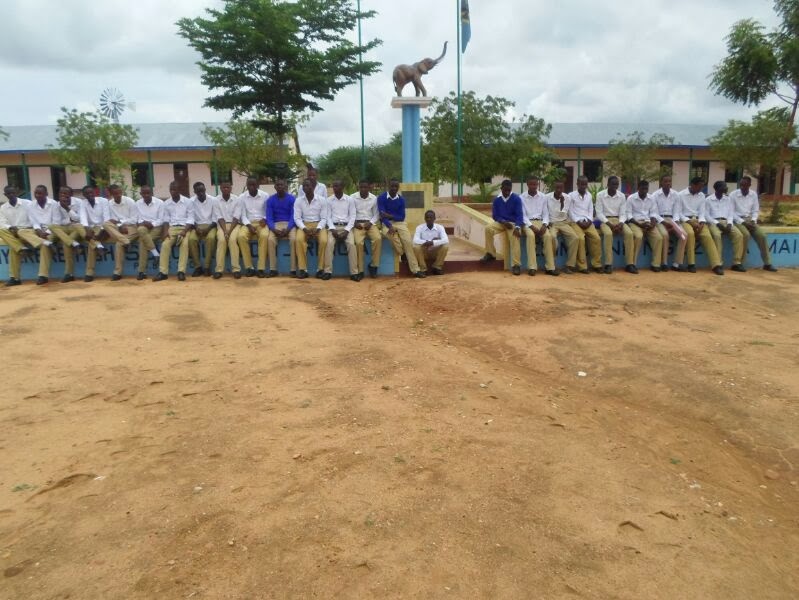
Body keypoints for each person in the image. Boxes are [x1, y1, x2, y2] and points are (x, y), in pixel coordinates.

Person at [378, 178, 426, 278]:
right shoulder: (381, 198)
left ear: (398, 187)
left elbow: (402, 217)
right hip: (386, 223)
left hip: (400, 223)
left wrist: (390, 216)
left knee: (408, 242)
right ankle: (402, 253)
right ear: (388, 186)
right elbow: (382, 216)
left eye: (396, 186)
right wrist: (389, 225)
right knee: (392, 237)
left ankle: (415, 270)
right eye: (392, 186)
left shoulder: (401, 200)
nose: (394, 188)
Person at [730, 175, 777, 272]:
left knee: (762, 236)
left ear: (749, 185)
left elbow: (755, 210)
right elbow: (731, 212)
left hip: (750, 220)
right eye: (741, 185)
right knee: (745, 235)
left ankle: (767, 263)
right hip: (738, 220)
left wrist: (753, 221)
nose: (743, 187)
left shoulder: (753, 194)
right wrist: (743, 222)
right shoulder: (733, 195)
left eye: (745, 185)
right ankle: (738, 263)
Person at [678, 177, 723, 276]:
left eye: (702, 187)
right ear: (692, 185)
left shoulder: (702, 196)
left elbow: (702, 212)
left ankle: (716, 264)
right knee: (690, 234)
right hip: (686, 220)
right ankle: (691, 263)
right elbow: (679, 213)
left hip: (698, 220)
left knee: (707, 236)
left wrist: (702, 222)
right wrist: (690, 221)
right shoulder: (681, 195)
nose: (701, 189)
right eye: (699, 186)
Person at [479, 179, 524, 275]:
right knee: (488, 228)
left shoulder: (516, 199)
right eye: (505, 190)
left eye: (509, 190)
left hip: (512, 224)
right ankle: (491, 253)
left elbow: (520, 215)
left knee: (515, 238)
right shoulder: (497, 200)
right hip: (501, 222)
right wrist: (503, 221)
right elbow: (495, 215)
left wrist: (517, 227)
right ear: (501, 188)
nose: (507, 192)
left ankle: (516, 265)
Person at [154, 181, 193, 281]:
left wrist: (184, 231)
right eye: (171, 190)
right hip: (172, 228)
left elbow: (191, 219)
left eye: (175, 189)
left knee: (184, 244)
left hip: (185, 228)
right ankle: (163, 272)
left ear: (179, 190)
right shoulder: (166, 203)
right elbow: (166, 220)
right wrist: (166, 231)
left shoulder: (188, 202)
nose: (172, 192)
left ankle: (181, 271)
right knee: (165, 245)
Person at [595, 176, 634, 274]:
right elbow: (599, 213)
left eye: (616, 184)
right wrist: (610, 225)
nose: (615, 186)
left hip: (618, 219)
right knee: (608, 234)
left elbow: (623, 213)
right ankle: (608, 264)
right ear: (608, 184)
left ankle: (629, 264)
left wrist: (621, 224)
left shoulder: (621, 196)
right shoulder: (600, 195)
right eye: (613, 184)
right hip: (605, 220)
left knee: (629, 233)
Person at [520, 175, 557, 276]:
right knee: (531, 236)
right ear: (527, 184)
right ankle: (532, 267)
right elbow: (523, 215)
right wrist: (531, 226)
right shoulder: (522, 197)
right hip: (528, 223)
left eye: (535, 184)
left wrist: (544, 225)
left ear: (538, 184)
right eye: (531, 184)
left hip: (541, 222)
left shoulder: (543, 197)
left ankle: (550, 267)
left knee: (548, 236)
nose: (533, 186)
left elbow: (546, 213)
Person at [651, 175, 688, 272]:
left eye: (669, 181)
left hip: (672, 220)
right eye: (665, 181)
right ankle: (664, 263)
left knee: (683, 235)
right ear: (661, 183)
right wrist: (664, 223)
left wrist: (675, 223)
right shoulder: (655, 195)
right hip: (660, 220)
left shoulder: (676, 195)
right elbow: (654, 212)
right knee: (665, 235)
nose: (668, 183)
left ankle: (677, 263)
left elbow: (676, 211)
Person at [625, 180, 664, 272]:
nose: (644, 191)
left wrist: (652, 224)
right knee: (638, 237)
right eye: (642, 188)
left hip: (648, 223)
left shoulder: (651, 198)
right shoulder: (631, 198)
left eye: (646, 188)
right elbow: (629, 215)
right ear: (638, 188)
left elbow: (654, 213)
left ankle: (655, 264)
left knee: (659, 238)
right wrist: (640, 224)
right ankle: (632, 264)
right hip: (635, 223)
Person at [706, 181, 745, 272]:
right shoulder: (708, 200)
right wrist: (717, 223)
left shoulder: (728, 199)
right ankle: (718, 263)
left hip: (726, 221)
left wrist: (730, 223)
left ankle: (736, 263)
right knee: (716, 235)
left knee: (739, 235)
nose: (726, 188)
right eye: (724, 187)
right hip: (713, 222)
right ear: (717, 189)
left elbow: (731, 213)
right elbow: (706, 215)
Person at [294, 178, 328, 279]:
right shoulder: (298, 201)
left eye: (308, 185)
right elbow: (297, 218)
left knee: (323, 240)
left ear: (313, 187)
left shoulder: (322, 200)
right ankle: (303, 269)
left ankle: (320, 269)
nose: (306, 187)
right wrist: (304, 229)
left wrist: (318, 229)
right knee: (299, 239)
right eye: (304, 186)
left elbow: (324, 218)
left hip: (318, 224)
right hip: (304, 224)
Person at [49, 186, 85, 283]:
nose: (63, 196)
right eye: (61, 193)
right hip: (64, 229)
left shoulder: (79, 202)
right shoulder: (56, 205)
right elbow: (56, 222)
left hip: (76, 228)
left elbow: (79, 219)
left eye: (65, 193)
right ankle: (74, 243)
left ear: (71, 194)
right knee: (52, 226)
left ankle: (69, 274)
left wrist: (67, 208)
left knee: (66, 244)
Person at [325, 180, 358, 281]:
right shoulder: (329, 200)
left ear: (342, 187)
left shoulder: (349, 200)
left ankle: (354, 273)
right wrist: (332, 229)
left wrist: (347, 230)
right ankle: (327, 271)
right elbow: (327, 216)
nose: (335, 188)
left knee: (352, 244)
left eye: (337, 186)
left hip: (346, 227)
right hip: (333, 228)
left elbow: (353, 216)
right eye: (334, 186)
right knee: (329, 243)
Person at [22, 185, 55, 285]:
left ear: (46, 194)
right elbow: (33, 221)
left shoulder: (53, 204)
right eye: (36, 193)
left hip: (52, 230)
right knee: (22, 231)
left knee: (45, 247)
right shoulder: (31, 205)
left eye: (40, 193)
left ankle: (43, 276)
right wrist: (38, 230)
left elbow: (56, 221)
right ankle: (45, 242)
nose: (37, 195)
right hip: (38, 231)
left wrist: (47, 232)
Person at [568, 175, 602, 274]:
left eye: (585, 184)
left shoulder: (589, 195)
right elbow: (570, 212)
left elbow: (591, 209)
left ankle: (597, 264)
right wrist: (578, 222)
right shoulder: (571, 195)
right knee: (581, 239)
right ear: (577, 184)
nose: (583, 186)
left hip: (587, 222)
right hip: (576, 222)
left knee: (597, 238)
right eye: (581, 184)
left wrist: (590, 221)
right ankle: (582, 266)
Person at [237, 176, 269, 277]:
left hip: (261, 223)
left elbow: (268, 211)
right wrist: (249, 225)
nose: (251, 187)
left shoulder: (265, 195)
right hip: (248, 222)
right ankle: (249, 267)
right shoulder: (242, 197)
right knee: (241, 236)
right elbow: (242, 215)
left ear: (258, 185)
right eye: (249, 185)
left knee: (264, 236)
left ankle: (260, 268)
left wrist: (264, 218)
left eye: (253, 184)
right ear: (246, 185)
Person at [105, 184, 137, 280]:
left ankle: (117, 272)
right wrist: (119, 226)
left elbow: (135, 219)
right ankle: (126, 241)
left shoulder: (130, 201)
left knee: (119, 244)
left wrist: (121, 222)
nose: (118, 195)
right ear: (111, 194)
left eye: (120, 192)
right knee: (105, 224)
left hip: (131, 227)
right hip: (118, 229)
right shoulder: (109, 204)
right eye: (115, 193)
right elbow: (110, 220)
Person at [79, 185, 111, 282]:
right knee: (78, 227)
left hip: (102, 227)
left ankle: (89, 273)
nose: (90, 195)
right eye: (87, 193)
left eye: (91, 192)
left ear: (95, 192)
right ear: (84, 195)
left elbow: (106, 219)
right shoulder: (83, 203)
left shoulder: (103, 201)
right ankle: (99, 246)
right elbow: (83, 217)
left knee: (90, 243)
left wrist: (101, 230)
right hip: (89, 228)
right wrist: (87, 228)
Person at [265, 178, 296, 277]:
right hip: (276, 224)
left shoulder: (292, 199)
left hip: (289, 224)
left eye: (281, 185)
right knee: (270, 239)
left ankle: (293, 269)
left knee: (294, 239)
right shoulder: (270, 200)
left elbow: (293, 216)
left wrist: (288, 229)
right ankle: (273, 269)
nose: (279, 187)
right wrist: (273, 229)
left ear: (285, 186)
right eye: (277, 185)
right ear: (275, 187)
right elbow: (269, 217)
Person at [351, 179, 381, 279]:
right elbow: (350, 213)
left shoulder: (373, 198)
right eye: (361, 187)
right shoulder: (353, 197)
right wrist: (355, 223)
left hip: (370, 223)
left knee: (377, 239)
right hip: (358, 224)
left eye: (365, 187)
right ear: (359, 187)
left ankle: (373, 266)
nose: (363, 189)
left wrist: (371, 223)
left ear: (369, 188)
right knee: (358, 243)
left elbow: (376, 214)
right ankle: (360, 270)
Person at [187, 181, 217, 277]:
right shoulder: (191, 201)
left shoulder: (213, 200)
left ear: (205, 189)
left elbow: (216, 217)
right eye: (198, 191)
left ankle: (207, 267)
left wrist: (208, 229)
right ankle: (198, 267)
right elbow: (190, 217)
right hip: (197, 226)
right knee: (191, 239)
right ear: (194, 192)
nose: (201, 193)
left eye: (202, 190)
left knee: (211, 238)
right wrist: (196, 228)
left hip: (211, 225)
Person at [135, 185, 163, 280]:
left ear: (152, 193)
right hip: (144, 227)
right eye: (144, 193)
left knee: (143, 242)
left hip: (156, 227)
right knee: (140, 229)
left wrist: (152, 224)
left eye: (148, 193)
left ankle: (142, 271)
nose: (146, 195)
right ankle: (155, 253)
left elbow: (161, 219)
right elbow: (138, 218)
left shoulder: (159, 203)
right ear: (141, 194)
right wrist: (143, 223)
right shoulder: (137, 203)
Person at [413, 209, 449, 275]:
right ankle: (423, 269)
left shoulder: (440, 227)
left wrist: (432, 242)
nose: (429, 219)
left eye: (430, 217)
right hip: (424, 253)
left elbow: (446, 239)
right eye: (427, 217)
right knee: (416, 246)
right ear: (424, 218)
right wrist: (427, 241)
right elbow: (415, 240)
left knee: (445, 245)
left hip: (435, 252)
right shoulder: (419, 227)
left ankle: (437, 267)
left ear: (434, 218)